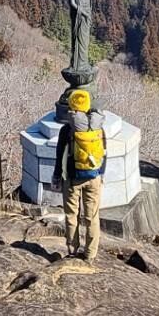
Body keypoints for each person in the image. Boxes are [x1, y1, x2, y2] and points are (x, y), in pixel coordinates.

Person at [54, 87, 106, 260]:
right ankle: (90, 254)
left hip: (72, 178)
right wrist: (101, 174)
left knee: (71, 215)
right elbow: (104, 153)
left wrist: (57, 176)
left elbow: (60, 155)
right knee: (92, 217)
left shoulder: (67, 129)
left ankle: (72, 250)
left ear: (71, 106)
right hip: (94, 176)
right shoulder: (98, 128)